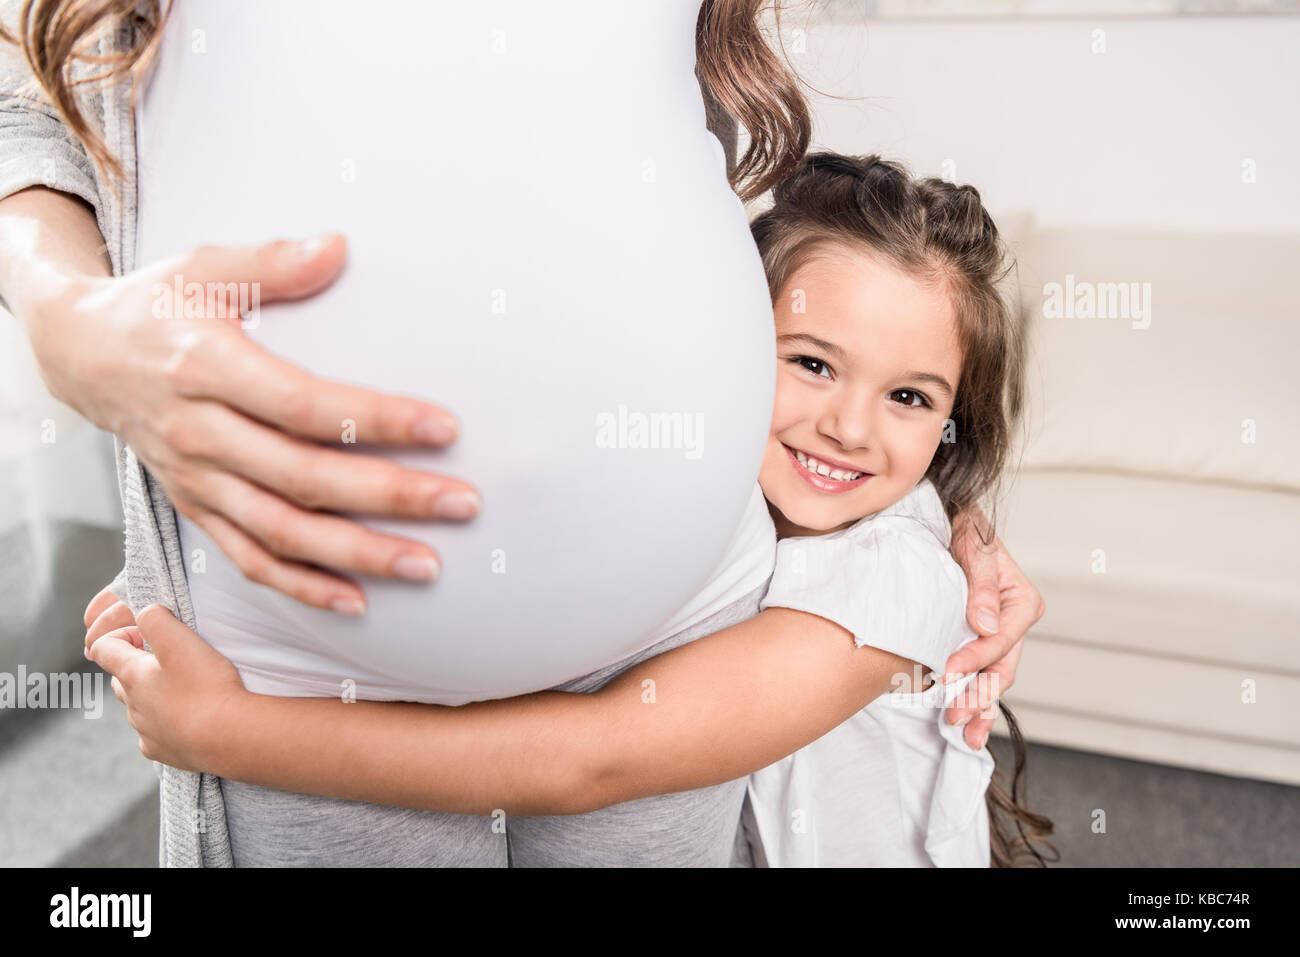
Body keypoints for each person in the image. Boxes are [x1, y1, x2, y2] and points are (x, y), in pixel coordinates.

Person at [3, 0, 1042, 865]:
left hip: (686, 612)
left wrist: (930, 525)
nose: (854, 419)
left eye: (908, 400)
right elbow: (22, 93)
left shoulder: (879, 575)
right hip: (302, 622)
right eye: (811, 364)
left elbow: (596, 760)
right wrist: (62, 314)